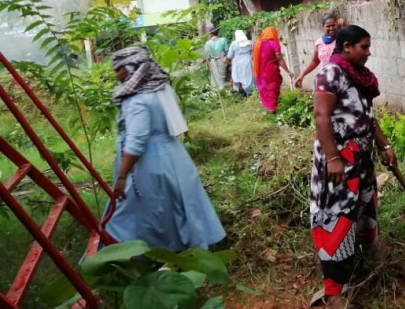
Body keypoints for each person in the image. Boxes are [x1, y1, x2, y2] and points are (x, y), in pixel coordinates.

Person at [104, 47, 226, 252]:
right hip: (173, 154)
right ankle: (184, 248)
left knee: (144, 210)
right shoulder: (161, 88)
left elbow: (137, 141)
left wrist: (122, 175)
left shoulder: (137, 100)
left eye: (118, 69)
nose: (116, 75)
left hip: (149, 163)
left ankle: (131, 253)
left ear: (130, 68)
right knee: (176, 204)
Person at [309, 26, 397, 309]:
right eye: (364, 47)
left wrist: (384, 146)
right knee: (338, 218)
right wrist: (334, 158)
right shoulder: (331, 73)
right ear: (347, 46)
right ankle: (335, 293)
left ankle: (359, 267)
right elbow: (321, 115)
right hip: (339, 162)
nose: (368, 53)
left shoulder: (358, 75)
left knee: (361, 210)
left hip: (361, 157)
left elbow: (367, 116)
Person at [252, 26, 294, 113]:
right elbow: (279, 59)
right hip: (271, 72)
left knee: (264, 89)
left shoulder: (257, 44)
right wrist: (288, 71)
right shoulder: (273, 43)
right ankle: (273, 109)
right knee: (272, 89)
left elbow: (253, 58)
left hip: (260, 73)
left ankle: (268, 107)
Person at [295, 13, 338, 89]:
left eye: (333, 25)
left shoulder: (342, 39)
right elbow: (315, 61)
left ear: (337, 25)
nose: (331, 28)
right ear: (323, 27)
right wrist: (302, 75)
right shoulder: (319, 43)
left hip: (341, 79)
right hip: (325, 80)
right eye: (328, 26)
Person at [226, 30, 254, 96]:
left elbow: (229, 55)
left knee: (236, 76)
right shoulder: (250, 43)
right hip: (247, 61)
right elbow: (253, 52)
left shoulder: (234, 43)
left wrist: (226, 60)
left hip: (237, 62)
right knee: (247, 76)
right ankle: (249, 92)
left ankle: (238, 93)